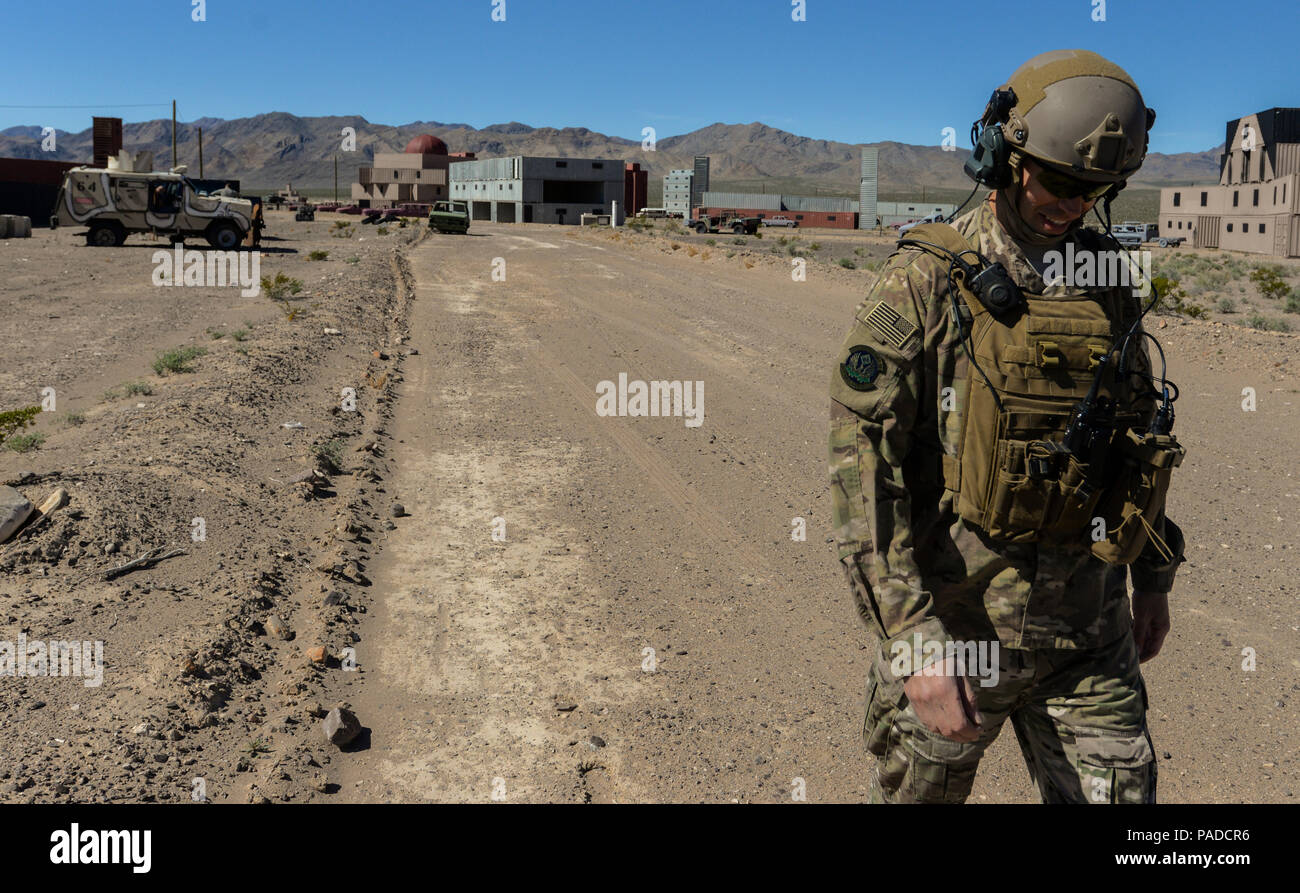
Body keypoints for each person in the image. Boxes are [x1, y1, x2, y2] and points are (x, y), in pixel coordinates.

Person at [829, 49, 1186, 804]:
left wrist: (1154, 573)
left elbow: (1136, 440)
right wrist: (913, 641)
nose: (1074, 206)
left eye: (1096, 190)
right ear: (1002, 155)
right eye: (1058, 182)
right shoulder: (925, 278)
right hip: (960, 636)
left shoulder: (1108, 286)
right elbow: (865, 475)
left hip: (1087, 641)